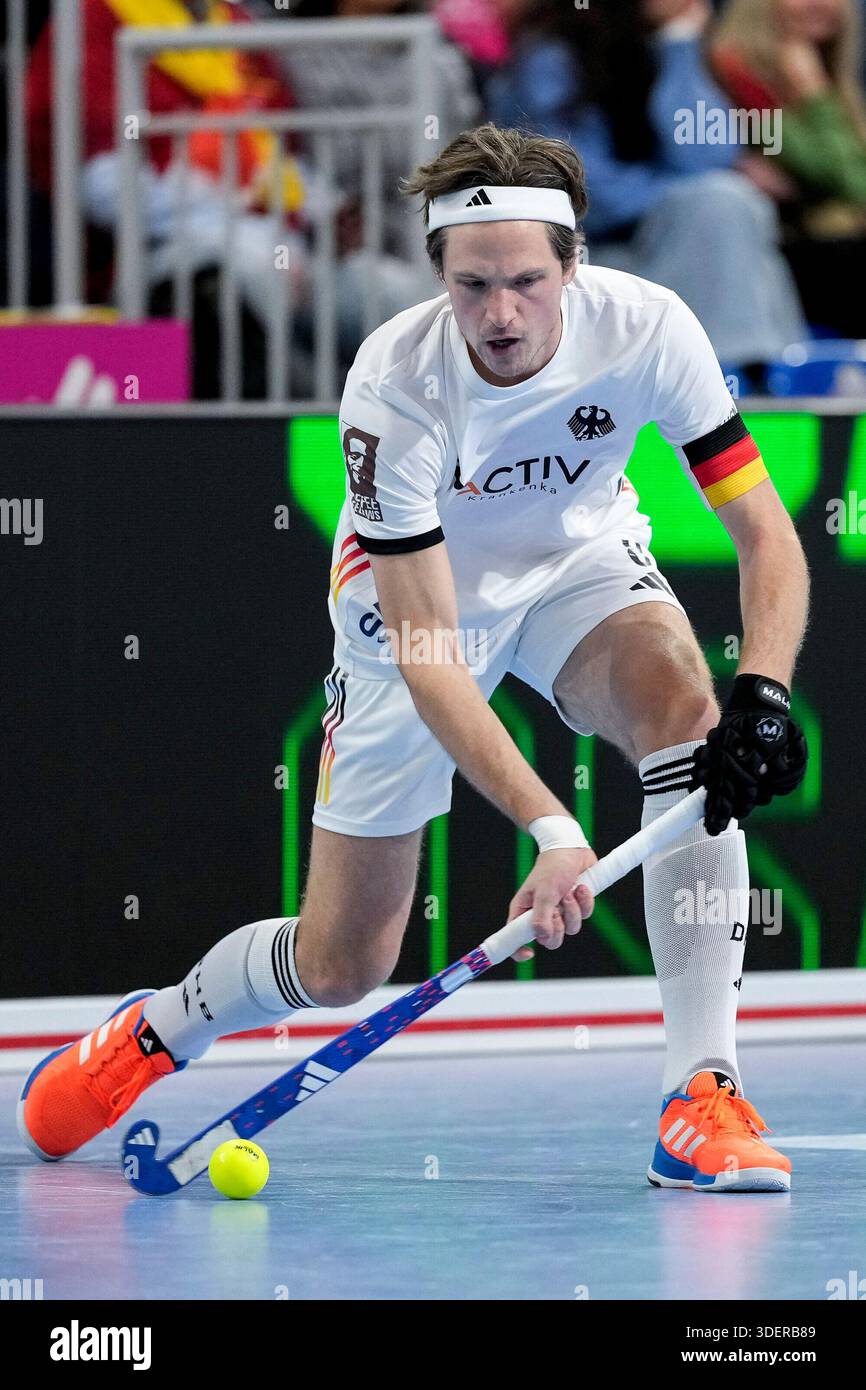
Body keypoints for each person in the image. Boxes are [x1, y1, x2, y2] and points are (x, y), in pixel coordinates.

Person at [18, 123, 809, 1194]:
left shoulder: (647, 326)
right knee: (345, 961)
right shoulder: (394, 383)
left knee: (686, 708)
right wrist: (552, 826)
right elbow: (435, 652)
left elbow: (764, 531)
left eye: (527, 282)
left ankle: (700, 1092)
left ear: (574, 266)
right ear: (438, 271)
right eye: (472, 284)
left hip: (577, 562)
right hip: (412, 614)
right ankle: (159, 1028)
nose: (499, 314)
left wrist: (761, 689)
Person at [482, 0, 808, 385]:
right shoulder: (551, 57)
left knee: (732, 206)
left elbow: (710, 155)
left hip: (668, 240)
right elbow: (581, 192)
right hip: (586, 256)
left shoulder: (663, 48)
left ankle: (767, 374)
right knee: (719, 205)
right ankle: (729, 383)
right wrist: (679, 199)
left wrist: (680, 46)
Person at [711, 0, 866, 338]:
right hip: (781, 249)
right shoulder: (737, 72)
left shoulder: (824, 69)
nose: (821, 4)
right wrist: (815, 97)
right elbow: (845, 179)